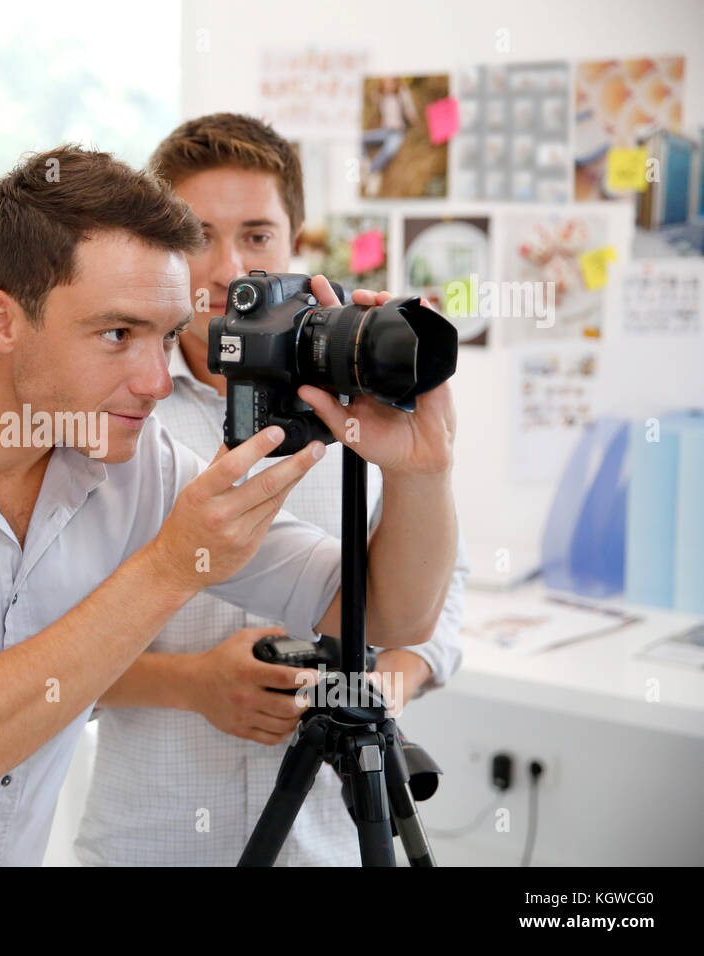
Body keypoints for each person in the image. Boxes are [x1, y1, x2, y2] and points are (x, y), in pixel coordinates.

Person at [0, 144, 459, 866]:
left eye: (166, 337)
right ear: (3, 319)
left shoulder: (133, 464)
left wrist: (422, 474)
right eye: (117, 334)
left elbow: (386, 616)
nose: (154, 381)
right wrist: (172, 566)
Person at [75, 112, 470, 866]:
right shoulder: (113, 408)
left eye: (256, 235)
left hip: (330, 838)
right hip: (154, 839)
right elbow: (35, 651)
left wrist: (391, 674)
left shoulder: (361, 391)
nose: (227, 269)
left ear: (296, 239)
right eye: (197, 236)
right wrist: (187, 684)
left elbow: (442, 594)